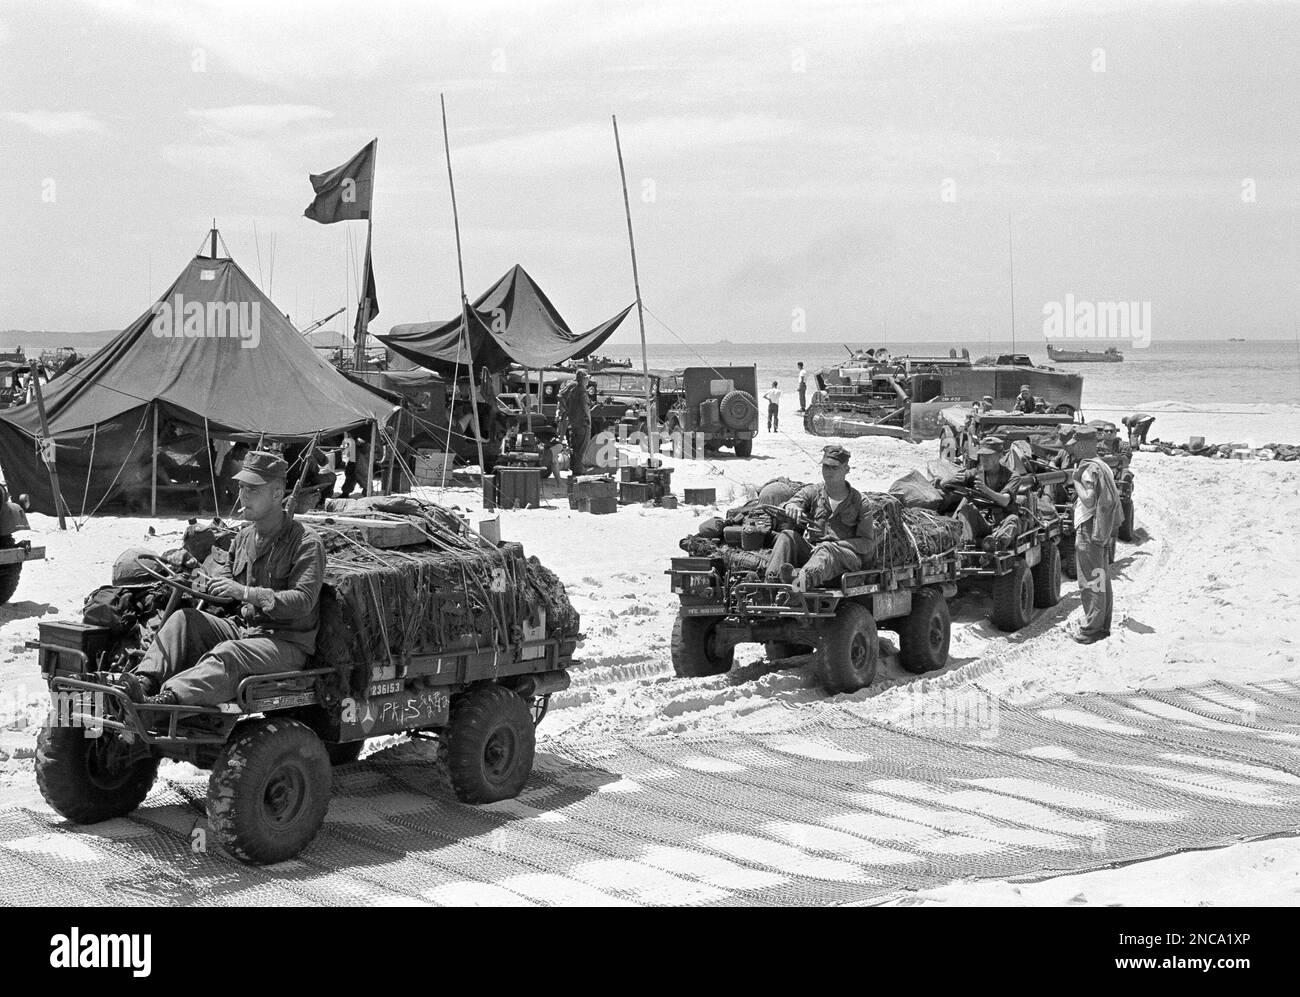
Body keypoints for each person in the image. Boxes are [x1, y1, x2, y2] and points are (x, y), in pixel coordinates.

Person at [118, 451, 327, 706]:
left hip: (286, 643)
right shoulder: (243, 538)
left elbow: (303, 600)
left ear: (276, 493)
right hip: (246, 630)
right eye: (241, 487)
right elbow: (221, 584)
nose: (242, 496)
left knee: (229, 653)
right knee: (184, 621)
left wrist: (245, 593)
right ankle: (143, 684)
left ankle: (166, 701)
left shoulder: (305, 542)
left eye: (252, 489)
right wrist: (192, 576)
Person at [763, 445, 875, 592]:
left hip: (846, 559)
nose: (828, 472)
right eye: (825, 467)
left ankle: (800, 585)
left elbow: (866, 543)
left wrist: (837, 545)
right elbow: (795, 501)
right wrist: (792, 506)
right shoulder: (813, 492)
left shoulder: (860, 502)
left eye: (834, 468)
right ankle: (770, 585)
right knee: (786, 536)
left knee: (827, 548)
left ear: (846, 470)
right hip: (814, 553)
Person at [1062, 424, 1121, 644]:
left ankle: (1090, 629)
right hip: (1101, 528)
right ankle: (1101, 626)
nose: (1072, 450)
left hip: (1089, 528)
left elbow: (1088, 499)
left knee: (1090, 580)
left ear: (1084, 445)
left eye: (1075, 445)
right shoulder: (1102, 464)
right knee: (1101, 577)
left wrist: (1074, 479)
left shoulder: (1087, 468)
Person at [937, 436, 1023, 551]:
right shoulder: (974, 474)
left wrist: (985, 489)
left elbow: (1005, 500)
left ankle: (994, 543)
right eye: (982, 455)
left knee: (1013, 520)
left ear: (1000, 456)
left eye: (989, 456)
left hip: (1001, 523)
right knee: (967, 509)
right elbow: (945, 486)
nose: (984, 459)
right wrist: (949, 480)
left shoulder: (1013, 476)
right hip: (981, 522)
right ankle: (967, 543)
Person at [556, 368, 592, 477]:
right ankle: (578, 471)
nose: (588, 381)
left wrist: (567, 409)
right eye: (586, 379)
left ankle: (575, 469)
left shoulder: (571, 385)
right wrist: (589, 420)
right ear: (583, 379)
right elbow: (585, 408)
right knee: (581, 448)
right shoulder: (581, 389)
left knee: (574, 447)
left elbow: (560, 396)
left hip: (572, 423)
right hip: (582, 423)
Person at [338, 430, 362, 498]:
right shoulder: (348, 432)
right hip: (352, 453)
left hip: (361, 453)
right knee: (350, 472)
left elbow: (362, 440)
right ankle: (346, 492)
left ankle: (367, 492)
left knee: (359, 474)